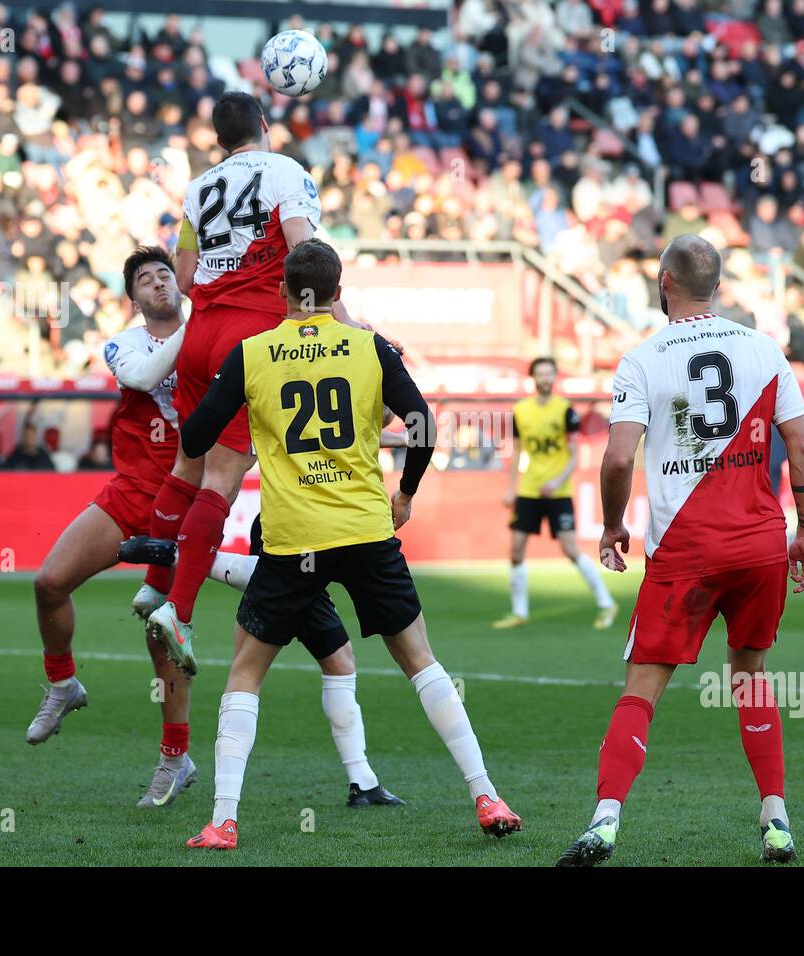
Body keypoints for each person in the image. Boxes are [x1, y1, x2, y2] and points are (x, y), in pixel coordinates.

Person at [171, 238, 521, 849]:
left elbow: (198, 436)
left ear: (283, 292)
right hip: (365, 529)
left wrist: (251, 411)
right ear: (339, 293)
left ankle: (223, 819)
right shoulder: (370, 347)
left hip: (292, 537)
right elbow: (423, 423)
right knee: (420, 660)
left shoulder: (252, 353)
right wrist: (406, 493)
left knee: (246, 673)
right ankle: (485, 794)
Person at [27, 246, 403, 809]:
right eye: (145, 279)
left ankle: (175, 757)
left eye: (163, 274)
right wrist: (205, 317)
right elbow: (145, 373)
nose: (158, 282)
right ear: (133, 297)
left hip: (204, 498)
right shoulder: (129, 344)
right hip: (136, 491)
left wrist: (354, 335)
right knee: (49, 581)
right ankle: (63, 683)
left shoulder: (236, 335)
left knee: (164, 632)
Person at [557, 235, 804, 867]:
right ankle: (776, 819)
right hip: (760, 545)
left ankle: (605, 821)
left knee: (642, 688)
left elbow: (619, 456)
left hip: (685, 550)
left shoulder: (643, 359)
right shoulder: (763, 350)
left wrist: (613, 525)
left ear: (664, 281)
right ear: (718, 284)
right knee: (751, 680)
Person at [138, 91, 368, 656]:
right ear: (265, 125)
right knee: (222, 476)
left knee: (188, 462)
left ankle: (154, 584)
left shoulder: (197, 187)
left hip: (201, 333)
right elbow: (305, 254)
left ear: (218, 140)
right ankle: (179, 614)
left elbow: (185, 276)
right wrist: (351, 326)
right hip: (249, 337)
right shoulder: (286, 171)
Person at [492, 356, 617, 630]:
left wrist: (557, 480)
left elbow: (574, 455)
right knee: (515, 550)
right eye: (541, 374)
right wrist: (512, 487)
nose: (545, 378)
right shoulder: (521, 410)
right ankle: (519, 612)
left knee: (570, 549)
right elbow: (516, 453)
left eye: (550, 374)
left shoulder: (565, 410)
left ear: (554, 377)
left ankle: (607, 603)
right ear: (533, 378)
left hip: (558, 491)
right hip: (529, 490)